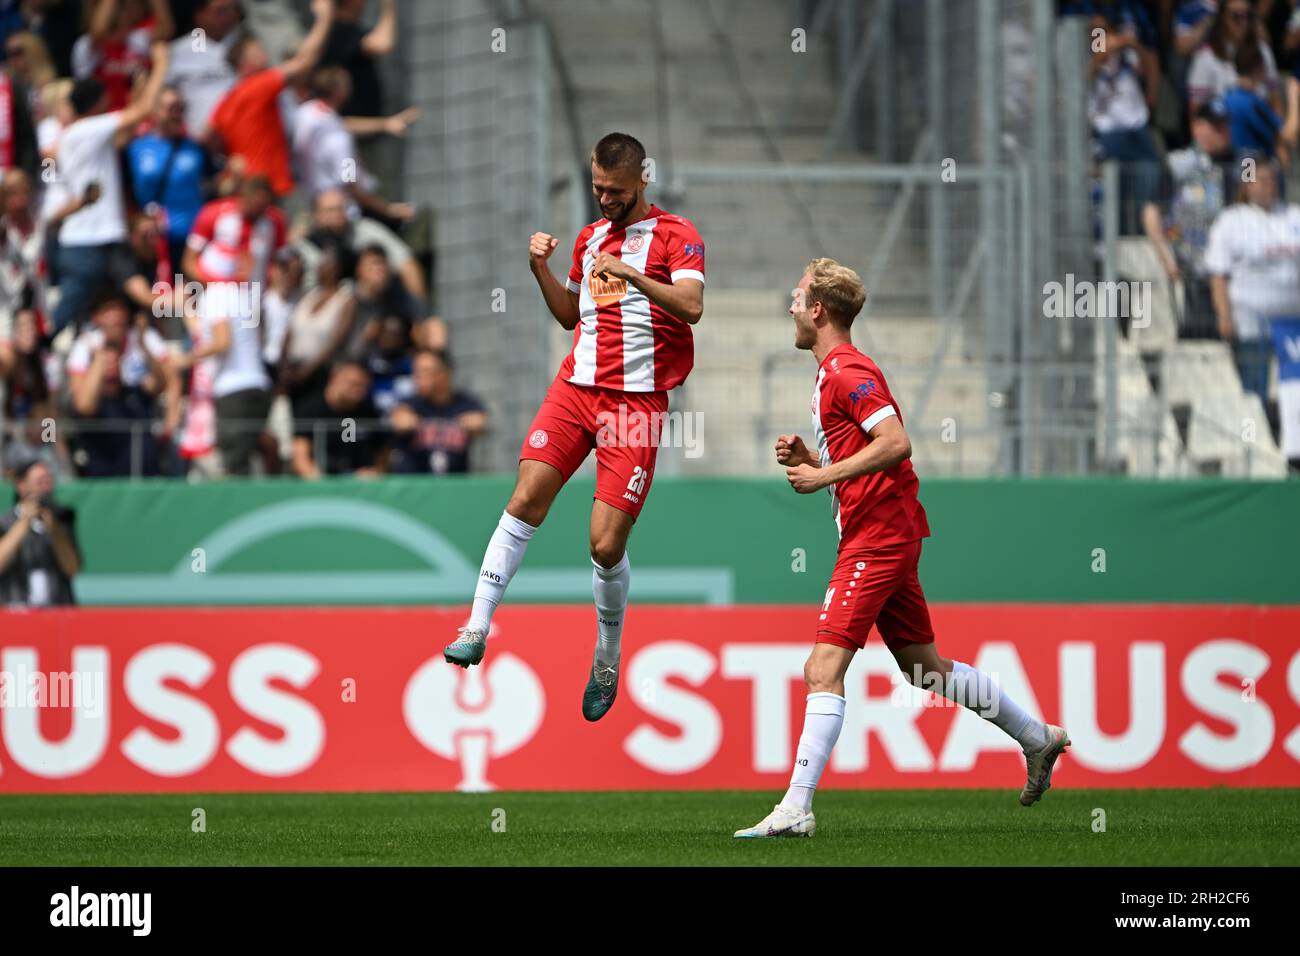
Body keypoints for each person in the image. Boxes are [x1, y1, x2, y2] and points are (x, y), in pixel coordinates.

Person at [734, 260, 1068, 839]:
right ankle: (1039, 740)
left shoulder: (847, 369)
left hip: (878, 536)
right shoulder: (830, 374)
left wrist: (820, 476)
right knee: (923, 669)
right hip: (886, 530)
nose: (789, 306)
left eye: (796, 297)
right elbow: (867, 457)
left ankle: (796, 808)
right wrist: (814, 462)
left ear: (818, 311)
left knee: (822, 668)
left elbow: (896, 442)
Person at [442, 132, 705, 724]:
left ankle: (607, 655)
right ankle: (478, 624)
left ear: (642, 180)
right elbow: (570, 317)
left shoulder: (676, 236)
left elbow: (690, 307)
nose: (603, 199)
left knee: (605, 544)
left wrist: (632, 274)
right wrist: (539, 268)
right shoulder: (590, 239)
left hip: (635, 405)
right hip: (576, 390)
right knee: (526, 497)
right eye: (596, 188)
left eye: (613, 190)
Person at [53, 12, 170, 336]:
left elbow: (125, 134)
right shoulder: (86, 128)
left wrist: (140, 86)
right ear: (94, 104)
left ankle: (173, 317)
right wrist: (160, 64)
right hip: (86, 241)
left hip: (106, 237)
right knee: (68, 315)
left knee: (132, 297)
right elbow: (143, 113)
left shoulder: (83, 135)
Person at [179, 176, 286, 474]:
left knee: (235, 464)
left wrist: (182, 360)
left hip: (234, 390)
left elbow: (220, 343)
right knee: (256, 449)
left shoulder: (220, 297)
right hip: (259, 383)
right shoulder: (239, 298)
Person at [208, 0, 333, 199]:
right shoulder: (259, 84)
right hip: (273, 188)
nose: (263, 53)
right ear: (244, 63)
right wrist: (325, 17)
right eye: (256, 51)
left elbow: (209, 134)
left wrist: (228, 159)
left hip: (248, 190)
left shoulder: (226, 100)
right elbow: (305, 61)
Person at [1204, 157, 1300, 406]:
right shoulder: (1231, 221)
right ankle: (1254, 435)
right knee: (1255, 389)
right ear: (1247, 183)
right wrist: (1224, 315)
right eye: (1262, 179)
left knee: (1293, 390)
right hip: (1251, 324)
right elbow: (1218, 273)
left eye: (1272, 179)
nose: (1269, 185)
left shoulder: (1293, 216)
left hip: (1293, 325)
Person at [1142, 97, 1234, 339]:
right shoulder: (1178, 163)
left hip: (1232, 271)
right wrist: (1166, 257)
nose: (1222, 132)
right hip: (1191, 267)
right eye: (1215, 126)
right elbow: (1152, 212)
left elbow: (1253, 194)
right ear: (1197, 128)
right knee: (1196, 337)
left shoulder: (1242, 161)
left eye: (1225, 125)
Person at [389, 348, 486, 474]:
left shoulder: (463, 403)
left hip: (455, 483)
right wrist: (403, 419)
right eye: (416, 371)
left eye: (426, 371)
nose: (418, 377)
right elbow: (399, 418)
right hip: (416, 484)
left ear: (445, 374)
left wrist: (472, 423)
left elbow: (479, 421)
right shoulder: (410, 404)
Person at [0, 457, 80, 606]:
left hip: (57, 611)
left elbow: (72, 568)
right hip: (16, 610)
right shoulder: (4, 523)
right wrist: (24, 521)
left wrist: (55, 530)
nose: (45, 488)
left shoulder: (63, 519)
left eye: (48, 481)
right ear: (21, 485)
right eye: (39, 482)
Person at [290, 359, 385, 478]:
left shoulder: (368, 412)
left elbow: (382, 454)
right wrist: (317, 481)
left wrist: (375, 472)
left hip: (359, 484)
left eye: (364, 386)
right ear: (334, 378)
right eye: (353, 384)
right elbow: (300, 455)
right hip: (321, 481)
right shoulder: (309, 409)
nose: (359, 391)